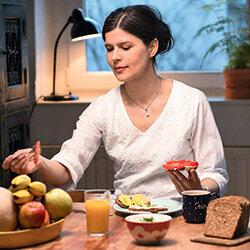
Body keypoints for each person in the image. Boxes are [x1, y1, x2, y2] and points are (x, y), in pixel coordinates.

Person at [2, 5, 228, 199]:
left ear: (152, 47)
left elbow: (215, 174)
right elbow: (66, 168)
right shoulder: (103, 108)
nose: (114, 57)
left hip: (182, 215)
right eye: (109, 48)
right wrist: (39, 162)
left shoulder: (191, 100)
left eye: (125, 47)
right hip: (125, 217)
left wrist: (198, 190)